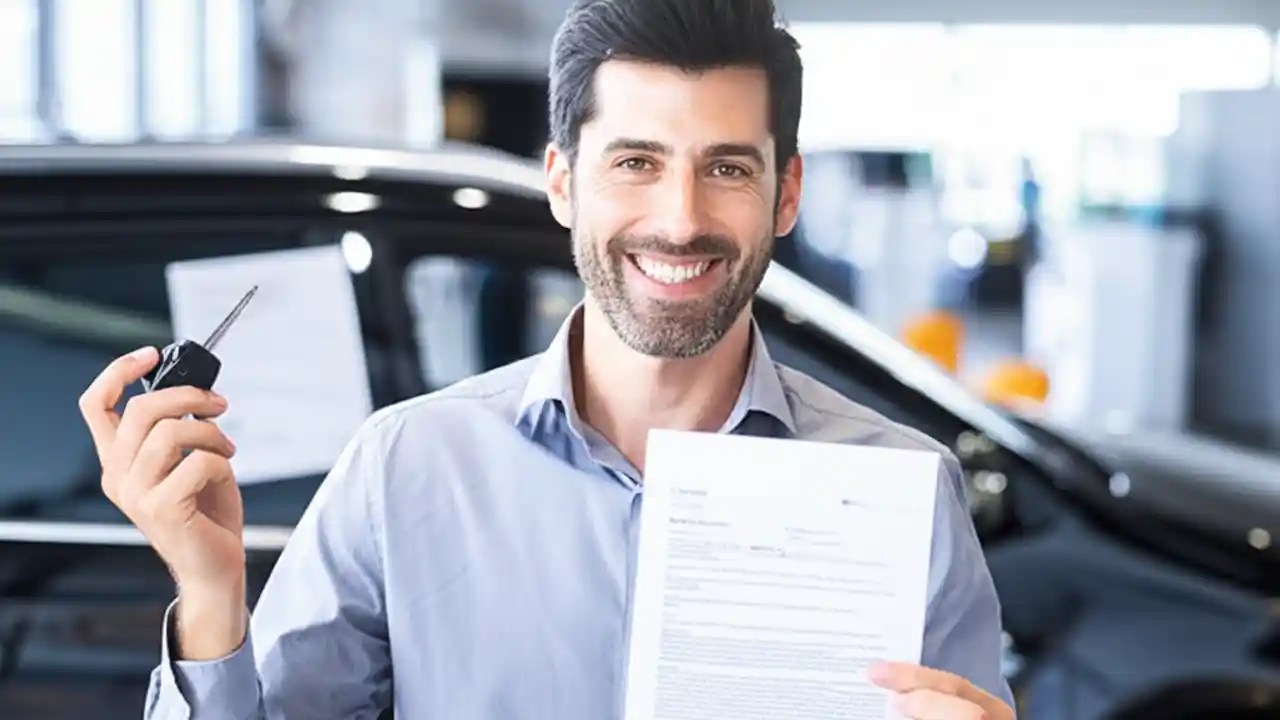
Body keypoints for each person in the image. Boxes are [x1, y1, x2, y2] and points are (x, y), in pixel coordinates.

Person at [78, 1, 1016, 718]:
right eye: (636, 162)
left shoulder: (907, 492)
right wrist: (210, 596)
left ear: (785, 193)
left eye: (726, 167)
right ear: (563, 181)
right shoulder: (403, 471)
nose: (681, 217)